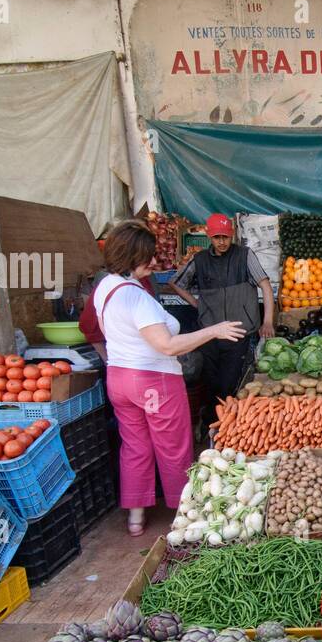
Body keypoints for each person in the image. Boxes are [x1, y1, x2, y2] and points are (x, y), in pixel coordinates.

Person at [95, 219, 245, 536]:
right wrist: (213, 331)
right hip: (152, 381)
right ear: (132, 255)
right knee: (173, 447)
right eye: (147, 256)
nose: (154, 261)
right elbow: (166, 345)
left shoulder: (105, 288)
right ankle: (186, 514)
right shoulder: (135, 297)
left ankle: (136, 519)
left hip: (119, 378)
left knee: (134, 447)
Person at [168, 213, 275, 406]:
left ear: (232, 234)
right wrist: (198, 304)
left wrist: (267, 321)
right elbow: (176, 283)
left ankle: (230, 426)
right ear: (209, 236)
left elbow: (265, 286)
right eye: (217, 237)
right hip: (210, 335)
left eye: (225, 237)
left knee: (231, 386)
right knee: (211, 386)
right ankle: (212, 427)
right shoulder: (199, 260)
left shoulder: (245, 255)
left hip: (239, 334)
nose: (222, 242)